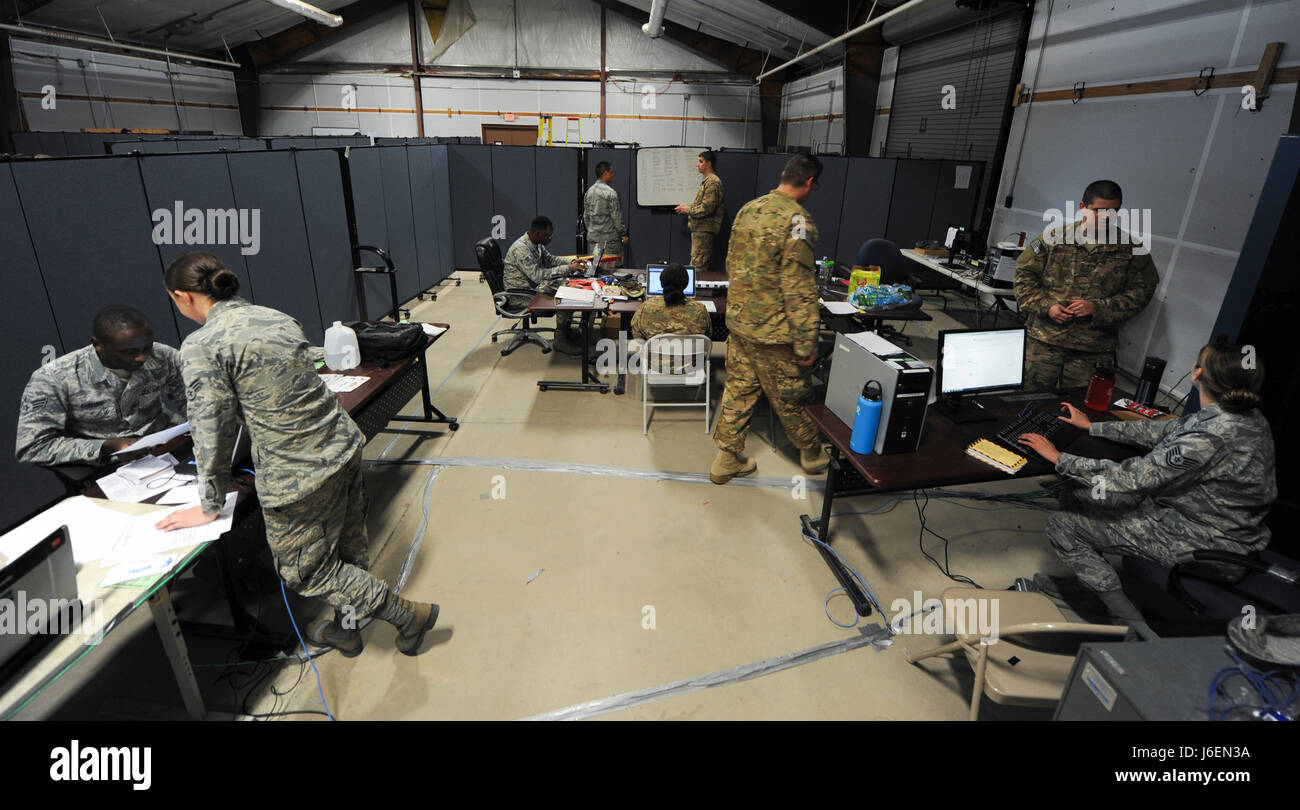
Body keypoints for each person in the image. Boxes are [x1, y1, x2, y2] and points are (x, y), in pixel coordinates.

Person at [154, 252, 439, 657]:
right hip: (340, 445)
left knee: (306, 571)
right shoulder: (276, 317)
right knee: (347, 548)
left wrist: (209, 504)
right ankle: (347, 629)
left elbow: (211, 429)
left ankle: (407, 615)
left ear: (183, 297)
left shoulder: (202, 345)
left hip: (296, 473)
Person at [1017, 343, 1277, 623]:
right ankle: (1094, 584)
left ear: (1197, 373)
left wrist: (1059, 458)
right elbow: (1162, 429)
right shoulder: (1241, 414)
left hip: (1206, 544)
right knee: (1077, 493)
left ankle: (1129, 622)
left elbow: (1132, 478)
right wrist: (1092, 426)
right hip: (1208, 523)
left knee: (1062, 526)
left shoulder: (1211, 437)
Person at [711, 154, 829, 484]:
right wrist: (807, 342)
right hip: (775, 333)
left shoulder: (749, 210)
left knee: (738, 391)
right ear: (808, 183)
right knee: (791, 395)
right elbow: (798, 287)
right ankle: (812, 453)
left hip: (739, 323)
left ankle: (726, 459)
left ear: (783, 175)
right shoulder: (797, 221)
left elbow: (732, 265)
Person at [1014, 180, 1158, 392]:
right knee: (1028, 402)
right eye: (1098, 211)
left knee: (1080, 410)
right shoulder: (1052, 239)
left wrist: (1098, 308)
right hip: (1044, 342)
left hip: (1093, 349)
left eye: (1113, 211)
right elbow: (1023, 277)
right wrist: (1047, 306)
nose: (1105, 217)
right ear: (1082, 207)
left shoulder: (1131, 248)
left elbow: (1142, 292)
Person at [16, 305, 186, 467]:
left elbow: (194, 399)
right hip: (107, 464)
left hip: (167, 444)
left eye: (146, 347)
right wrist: (104, 446)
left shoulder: (160, 355)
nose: (142, 357)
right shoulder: (53, 378)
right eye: (129, 352)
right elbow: (33, 447)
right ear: (97, 345)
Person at [504, 215, 586, 356]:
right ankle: (560, 341)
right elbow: (536, 275)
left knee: (569, 285)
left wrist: (572, 261)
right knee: (565, 295)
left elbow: (551, 260)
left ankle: (565, 331)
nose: (550, 238)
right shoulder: (521, 249)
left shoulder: (536, 244)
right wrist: (568, 269)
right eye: (547, 235)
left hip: (532, 287)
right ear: (537, 233)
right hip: (522, 293)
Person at [631, 262, 711, 341]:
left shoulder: (646, 308)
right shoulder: (700, 310)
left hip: (655, 353)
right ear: (686, 284)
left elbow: (637, 337)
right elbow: (708, 335)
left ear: (662, 284)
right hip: (690, 353)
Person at [675, 151, 724, 272]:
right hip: (700, 231)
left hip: (704, 232)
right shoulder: (707, 181)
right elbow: (704, 204)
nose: (698, 164)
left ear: (709, 163)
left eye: (701, 161)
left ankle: (697, 291)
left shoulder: (712, 182)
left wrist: (688, 209)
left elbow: (707, 208)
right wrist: (689, 206)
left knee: (698, 269)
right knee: (696, 265)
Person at [584, 161, 628, 267]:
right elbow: (616, 218)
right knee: (613, 272)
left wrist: (593, 232)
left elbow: (586, 217)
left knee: (595, 269)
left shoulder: (588, 192)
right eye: (611, 172)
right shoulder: (610, 193)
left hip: (593, 241)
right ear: (605, 173)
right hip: (610, 242)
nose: (612, 175)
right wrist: (623, 233)